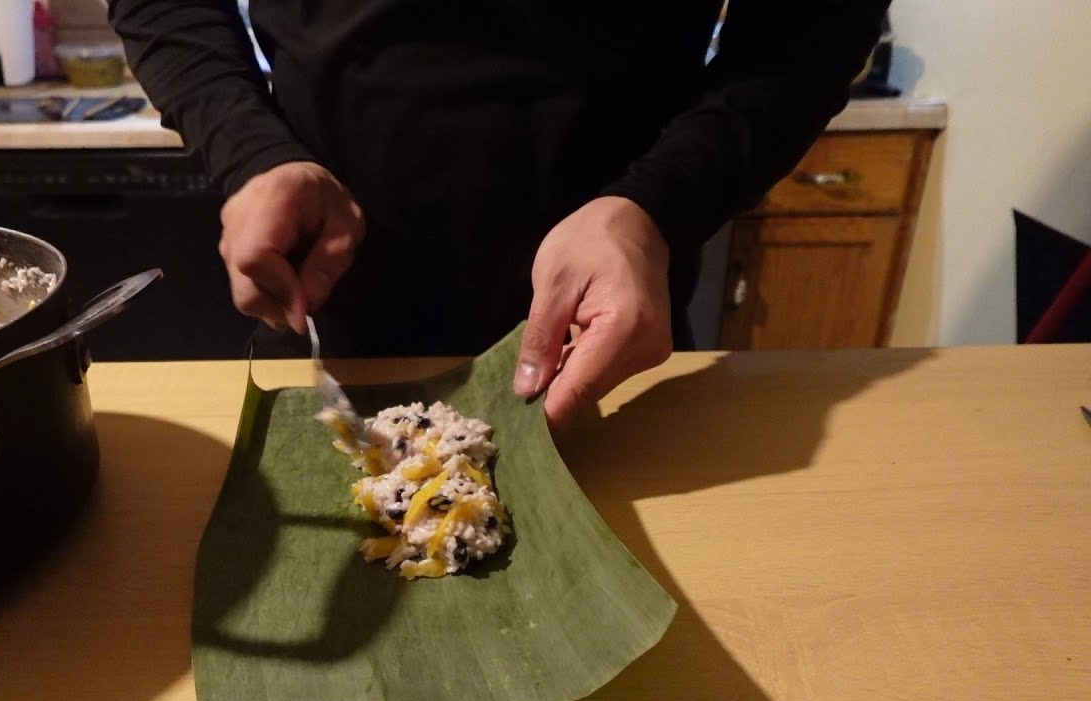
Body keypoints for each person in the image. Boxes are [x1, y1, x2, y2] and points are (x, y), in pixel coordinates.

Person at [108, 0, 889, 425]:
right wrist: (251, 152)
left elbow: (811, 29)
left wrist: (655, 205)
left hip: (610, 324)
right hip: (329, 309)